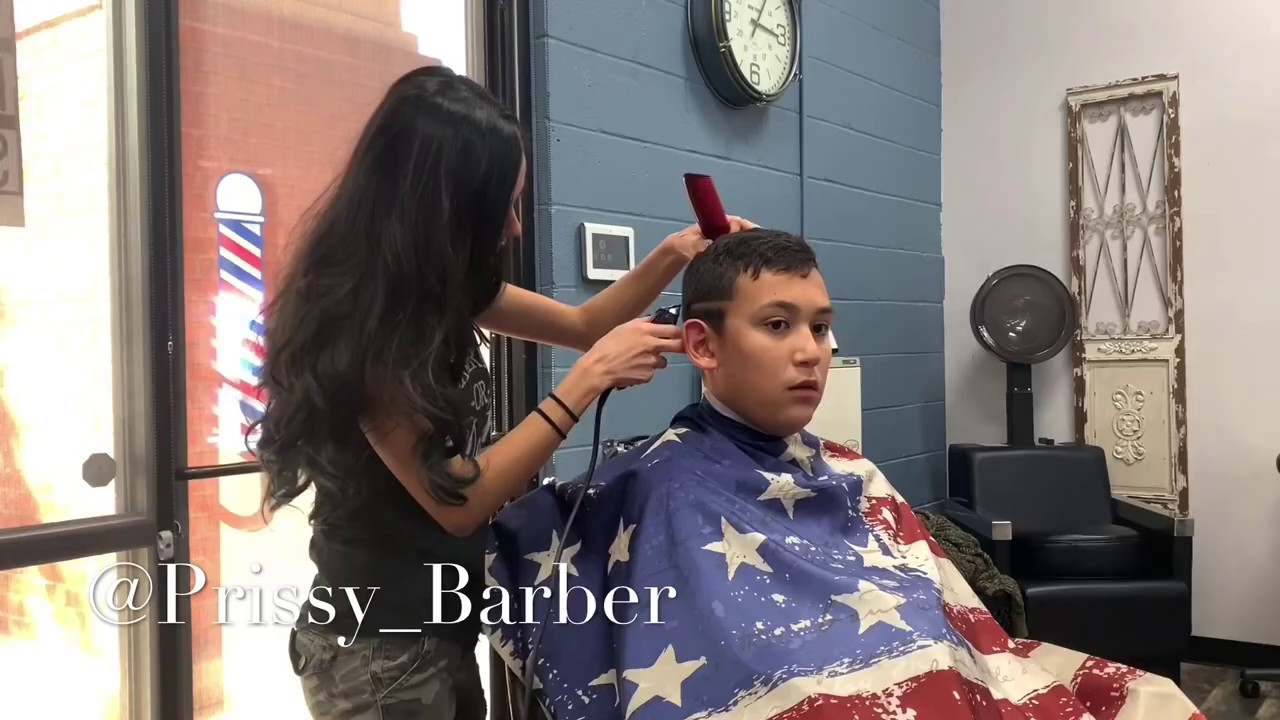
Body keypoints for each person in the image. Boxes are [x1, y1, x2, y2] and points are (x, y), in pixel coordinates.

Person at [483, 229, 1203, 719]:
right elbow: (492, 540)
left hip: (951, 685)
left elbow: (946, 621)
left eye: (821, 327)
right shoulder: (652, 482)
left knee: (1152, 699)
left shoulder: (850, 471)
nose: (811, 352)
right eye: (777, 325)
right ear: (700, 344)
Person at [251, 64, 755, 719]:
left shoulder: (442, 288)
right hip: (374, 651)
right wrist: (588, 383)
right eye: (503, 208)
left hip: (441, 626)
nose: (515, 227)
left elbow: (582, 326)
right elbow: (458, 502)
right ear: (443, 208)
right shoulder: (366, 328)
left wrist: (672, 255)